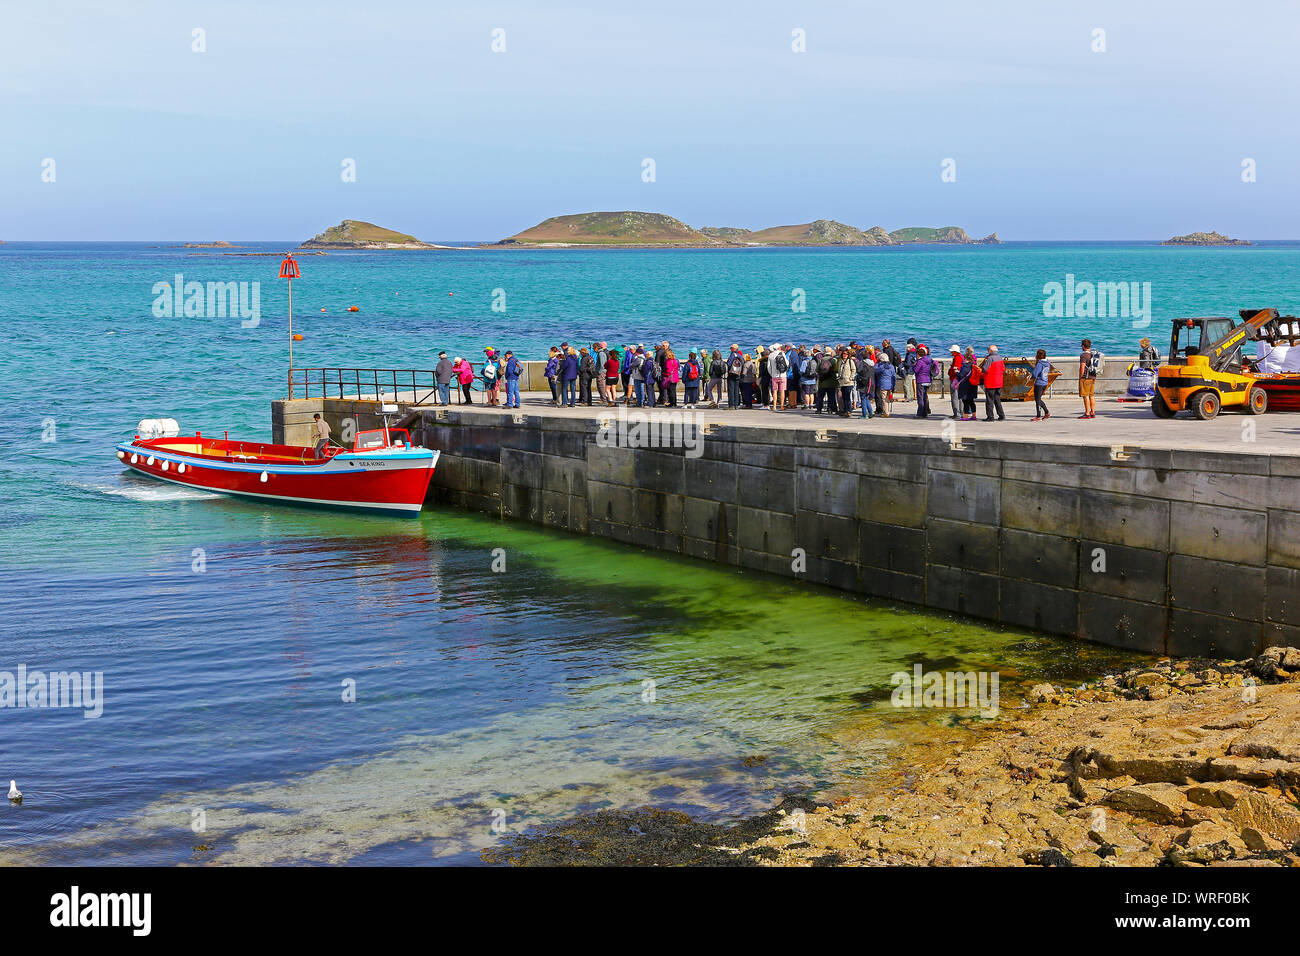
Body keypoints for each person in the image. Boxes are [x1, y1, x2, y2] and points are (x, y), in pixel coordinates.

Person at [981, 345, 1005, 421]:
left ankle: (990, 417)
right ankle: (1001, 415)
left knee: (989, 400)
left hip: (990, 382)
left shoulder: (990, 358)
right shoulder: (1000, 358)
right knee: (997, 399)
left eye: (988, 349)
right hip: (998, 382)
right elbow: (1003, 369)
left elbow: (984, 369)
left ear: (990, 351)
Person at [814, 346, 838, 414]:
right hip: (831, 381)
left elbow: (817, 370)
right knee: (831, 396)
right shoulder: (833, 360)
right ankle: (830, 409)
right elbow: (836, 370)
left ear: (824, 352)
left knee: (820, 396)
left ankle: (819, 409)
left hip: (822, 381)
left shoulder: (820, 360)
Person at [913, 345, 934, 418]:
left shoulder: (920, 361)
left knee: (920, 397)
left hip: (921, 380)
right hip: (927, 380)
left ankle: (920, 413)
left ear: (918, 354)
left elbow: (916, 370)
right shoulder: (928, 361)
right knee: (925, 397)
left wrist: (914, 365)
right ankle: (925, 412)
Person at [836, 346, 857, 418]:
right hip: (842, 382)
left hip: (849, 382)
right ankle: (845, 410)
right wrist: (838, 377)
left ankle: (849, 411)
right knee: (844, 397)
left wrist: (851, 378)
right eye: (843, 354)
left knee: (848, 397)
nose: (844, 355)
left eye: (846, 354)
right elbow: (839, 371)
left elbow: (854, 370)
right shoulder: (840, 362)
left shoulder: (850, 361)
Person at [1079, 338, 1097, 419]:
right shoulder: (1093, 354)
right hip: (1093, 376)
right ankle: (1092, 412)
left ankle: (1087, 413)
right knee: (1091, 395)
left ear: (1083, 346)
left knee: (1085, 395)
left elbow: (1082, 367)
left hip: (1085, 377)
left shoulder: (1083, 355)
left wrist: (1080, 376)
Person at [874, 349, 896, 416]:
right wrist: (893, 385)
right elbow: (894, 376)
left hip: (883, 384)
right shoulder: (891, 366)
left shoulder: (881, 366)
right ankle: (886, 410)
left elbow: (875, 370)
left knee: (884, 399)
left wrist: (877, 363)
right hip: (890, 384)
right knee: (888, 398)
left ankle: (886, 412)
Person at [958, 347, 978, 419]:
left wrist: (957, 373)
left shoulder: (966, 366)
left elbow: (961, 375)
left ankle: (966, 416)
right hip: (972, 385)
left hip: (965, 385)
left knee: (965, 401)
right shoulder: (973, 366)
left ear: (966, 359)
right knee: (971, 401)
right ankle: (974, 415)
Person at [1031, 348, 1051, 420]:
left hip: (1039, 383)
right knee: (1038, 399)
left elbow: (1035, 374)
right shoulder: (1047, 363)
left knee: (1038, 400)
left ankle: (1038, 416)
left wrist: (1031, 377)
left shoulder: (1040, 363)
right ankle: (1046, 412)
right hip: (1045, 382)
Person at [855, 346, 875, 418]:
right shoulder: (872, 364)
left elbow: (859, 371)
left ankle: (864, 414)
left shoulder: (863, 363)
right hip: (871, 382)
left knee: (863, 398)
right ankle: (870, 411)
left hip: (864, 382)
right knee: (866, 398)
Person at [769, 344, 788, 411]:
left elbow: (769, 367)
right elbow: (787, 363)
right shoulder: (782, 354)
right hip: (782, 375)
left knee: (775, 391)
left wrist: (772, 374)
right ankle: (782, 406)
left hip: (774, 376)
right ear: (779, 348)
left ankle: (774, 406)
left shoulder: (771, 355)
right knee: (782, 391)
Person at [946, 345, 963, 419]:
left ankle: (957, 413)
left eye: (952, 351)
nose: (951, 352)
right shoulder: (962, 357)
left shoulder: (957, 358)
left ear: (955, 352)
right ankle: (961, 412)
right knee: (960, 397)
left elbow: (956, 369)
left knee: (954, 397)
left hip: (955, 379)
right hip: (961, 379)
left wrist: (950, 372)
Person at [726, 344, 744, 409]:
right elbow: (743, 363)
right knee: (736, 390)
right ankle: (736, 404)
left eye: (731, 348)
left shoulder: (732, 355)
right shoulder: (740, 355)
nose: (730, 349)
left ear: (734, 349)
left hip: (732, 374)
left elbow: (729, 364)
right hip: (738, 374)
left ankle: (731, 405)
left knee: (731, 389)